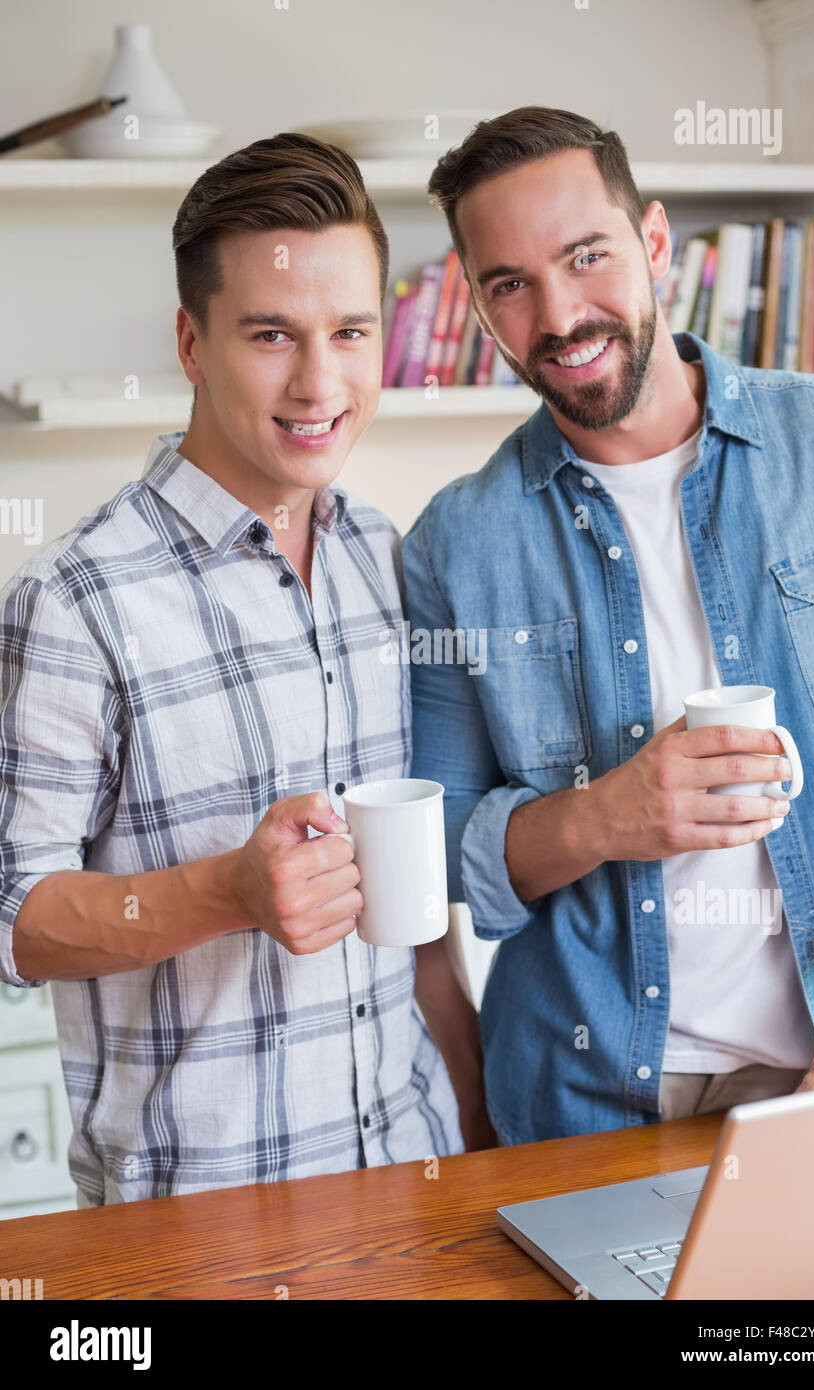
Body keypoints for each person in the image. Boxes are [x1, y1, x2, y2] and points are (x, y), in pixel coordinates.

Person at [0, 132, 494, 1208]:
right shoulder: (77, 600)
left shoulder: (380, 554)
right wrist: (228, 890)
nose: (319, 382)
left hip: (414, 1178)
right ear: (190, 341)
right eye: (271, 334)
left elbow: (410, 926)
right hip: (200, 1231)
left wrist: (477, 1139)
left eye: (350, 332)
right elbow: (17, 919)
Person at [402, 106, 814, 1144]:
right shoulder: (452, 545)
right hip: (580, 1098)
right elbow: (431, 849)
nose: (559, 315)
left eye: (584, 256)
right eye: (509, 284)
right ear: (479, 311)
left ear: (653, 243)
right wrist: (605, 815)